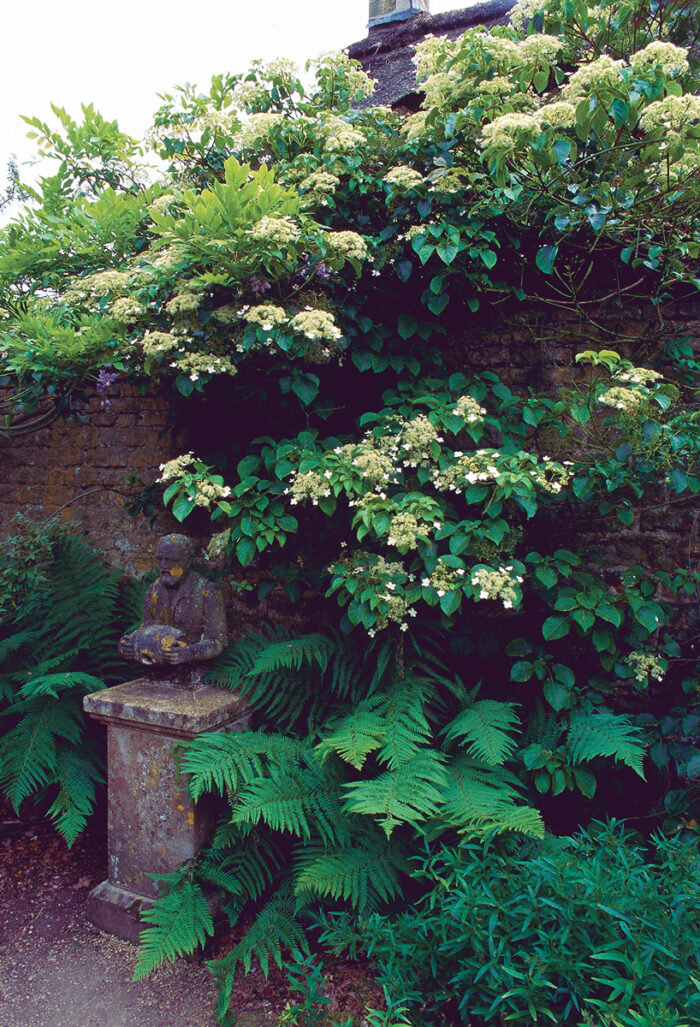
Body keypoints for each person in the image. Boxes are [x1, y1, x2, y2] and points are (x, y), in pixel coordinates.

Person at [118, 534, 227, 666]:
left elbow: (218, 642)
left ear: (187, 562)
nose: (164, 565)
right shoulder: (153, 590)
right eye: (160, 559)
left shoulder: (207, 591)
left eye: (171, 560)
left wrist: (189, 653)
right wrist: (130, 643)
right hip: (157, 671)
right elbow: (147, 630)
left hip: (194, 674)